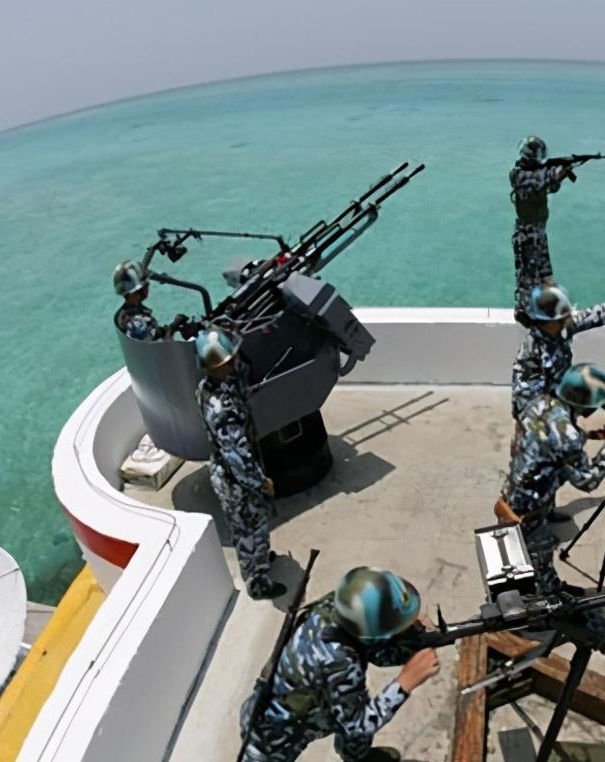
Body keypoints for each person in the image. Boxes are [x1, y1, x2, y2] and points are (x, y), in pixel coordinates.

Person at [240, 567, 441, 762]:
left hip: (319, 700)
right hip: (274, 736)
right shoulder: (339, 662)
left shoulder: (340, 604)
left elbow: (376, 651)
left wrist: (408, 626)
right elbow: (357, 725)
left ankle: (356, 756)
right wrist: (405, 681)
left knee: (355, 702)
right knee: (357, 717)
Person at [496, 363, 605, 598]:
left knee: (543, 554)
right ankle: (541, 609)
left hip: (514, 492)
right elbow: (588, 481)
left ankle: (552, 586)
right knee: (536, 558)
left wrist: (587, 436)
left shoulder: (540, 403)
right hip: (528, 512)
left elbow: (548, 437)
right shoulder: (567, 436)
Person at [510, 283, 605, 522]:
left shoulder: (559, 328)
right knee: (543, 467)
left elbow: (587, 318)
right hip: (541, 420)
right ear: (545, 321)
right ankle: (530, 521)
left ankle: (547, 510)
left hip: (562, 407)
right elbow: (527, 401)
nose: (569, 320)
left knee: (556, 468)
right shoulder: (531, 353)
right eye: (563, 316)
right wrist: (567, 432)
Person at [195, 328, 285, 599]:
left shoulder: (206, 388)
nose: (234, 363)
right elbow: (237, 455)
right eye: (229, 360)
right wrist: (260, 481)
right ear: (219, 365)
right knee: (249, 527)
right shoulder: (224, 410)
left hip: (226, 473)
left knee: (247, 525)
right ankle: (257, 580)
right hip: (237, 480)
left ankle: (259, 558)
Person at [510, 136, 573, 325]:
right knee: (527, 276)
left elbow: (551, 186)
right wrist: (556, 172)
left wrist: (562, 173)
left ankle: (540, 308)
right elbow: (539, 181)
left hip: (538, 232)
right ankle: (524, 312)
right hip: (526, 234)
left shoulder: (538, 174)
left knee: (544, 274)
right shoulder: (518, 174)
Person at [112, 259, 189, 340]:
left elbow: (154, 333)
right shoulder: (137, 322)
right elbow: (156, 344)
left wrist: (174, 326)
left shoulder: (120, 315)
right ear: (139, 290)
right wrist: (174, 326)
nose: (148, 286)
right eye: (147, 284)